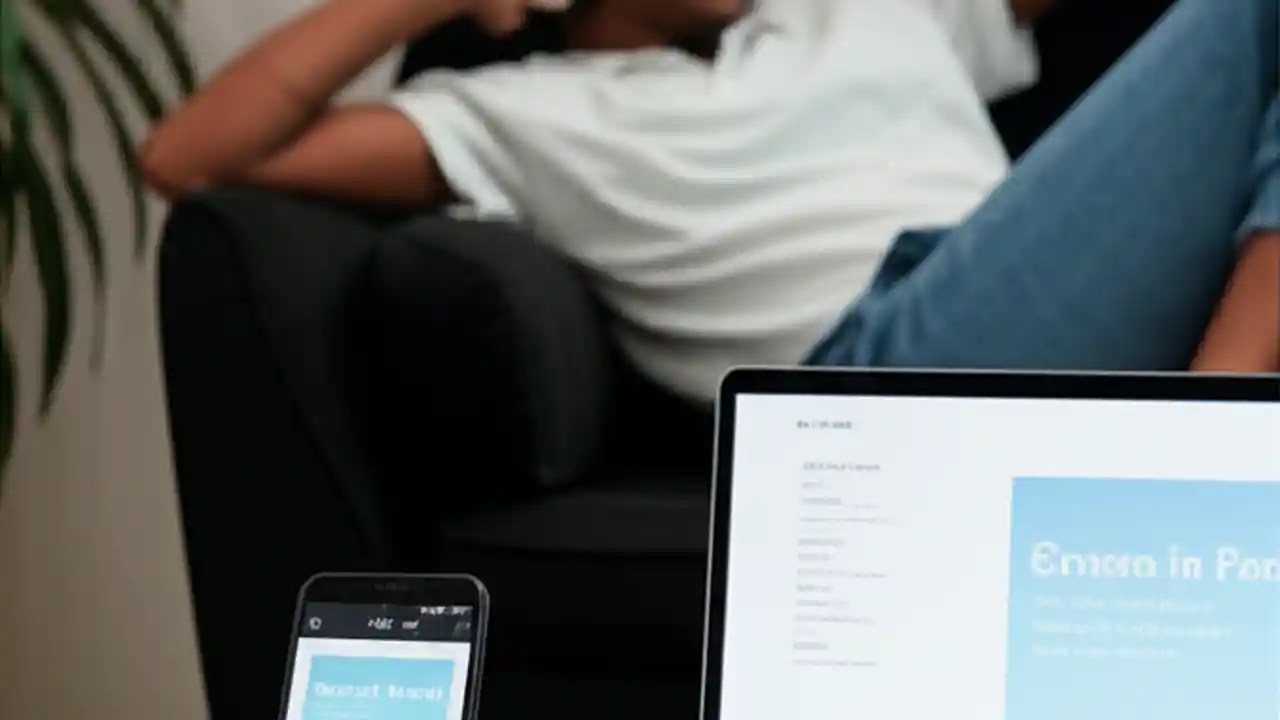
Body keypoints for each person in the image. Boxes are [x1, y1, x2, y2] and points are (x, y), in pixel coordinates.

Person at [143, 0, 1280, 405]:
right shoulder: (526, 113)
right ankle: (1211, 430)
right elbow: (187, 157)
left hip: (999, 286)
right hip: (875, 374)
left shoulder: (862, 11)